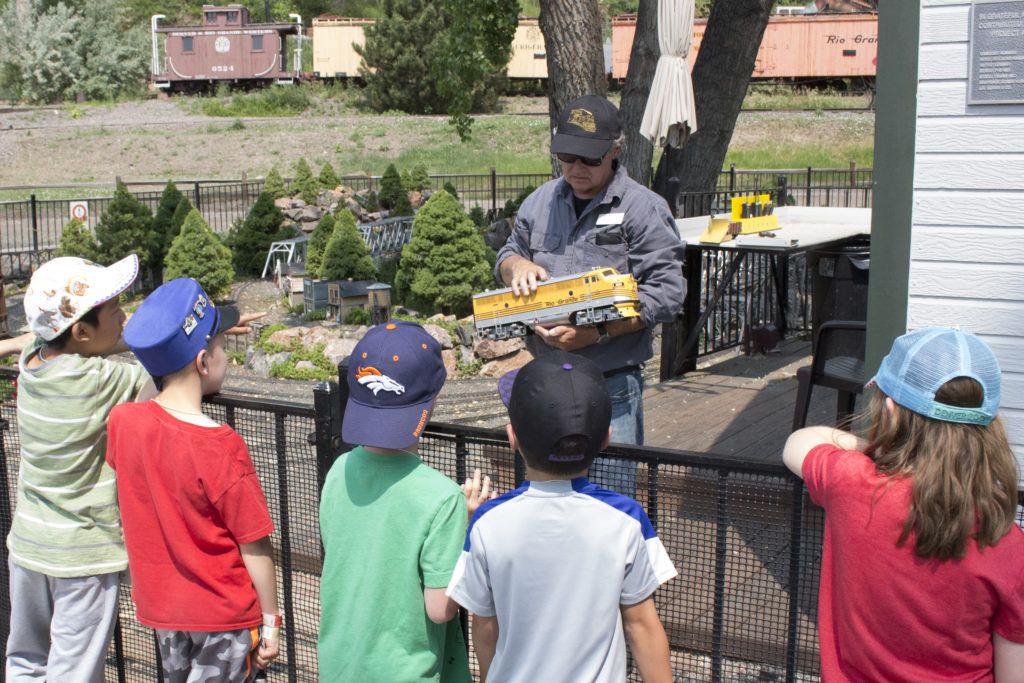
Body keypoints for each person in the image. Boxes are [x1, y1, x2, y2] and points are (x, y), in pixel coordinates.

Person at [783, 327, 1024, 681]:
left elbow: (798, 442)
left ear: (892, 411)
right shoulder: (1006, 539)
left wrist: (881, 449)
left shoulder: (852, 482)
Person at [446, 350, 678, 683]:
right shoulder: (627, 518)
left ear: (512, 437)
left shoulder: (486, 521)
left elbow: (484, 625)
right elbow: (641, 625)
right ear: (606, 439)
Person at [494, 94, 686, 492]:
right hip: (544, 378)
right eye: (567, 155)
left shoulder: (643, 209)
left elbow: (666, 295)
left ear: (616, 150)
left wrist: (594, 334)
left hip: (609, 383)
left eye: (590, 159)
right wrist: (517, 267)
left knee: (609, 500)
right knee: (546, 500)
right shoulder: (539, 202)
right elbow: (509, 252)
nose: (576, 168)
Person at [107, 277, 280, 683]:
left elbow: (153, 395)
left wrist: (169, 354)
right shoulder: (221, 445)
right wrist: (270, 620)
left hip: (165, 611)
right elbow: (255, 546)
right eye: (221, 347)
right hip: (222, 614)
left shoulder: (124, 421)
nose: (227, 355)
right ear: (203, 362)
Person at [6, 254, 156, 682]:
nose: (125, 314)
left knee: (26, 660)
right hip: (81, 556)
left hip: (30, 546)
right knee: (74, 670)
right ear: (82, 331)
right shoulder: (97, 381)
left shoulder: (34, 360)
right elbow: (162, 369)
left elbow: (55, 341)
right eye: (115, 309)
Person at [318, 320, 492, 682]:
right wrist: (466, 529)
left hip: (339, 664)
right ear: (433, 401)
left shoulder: (338, 471)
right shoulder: (442, 498)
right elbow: (441, 608)